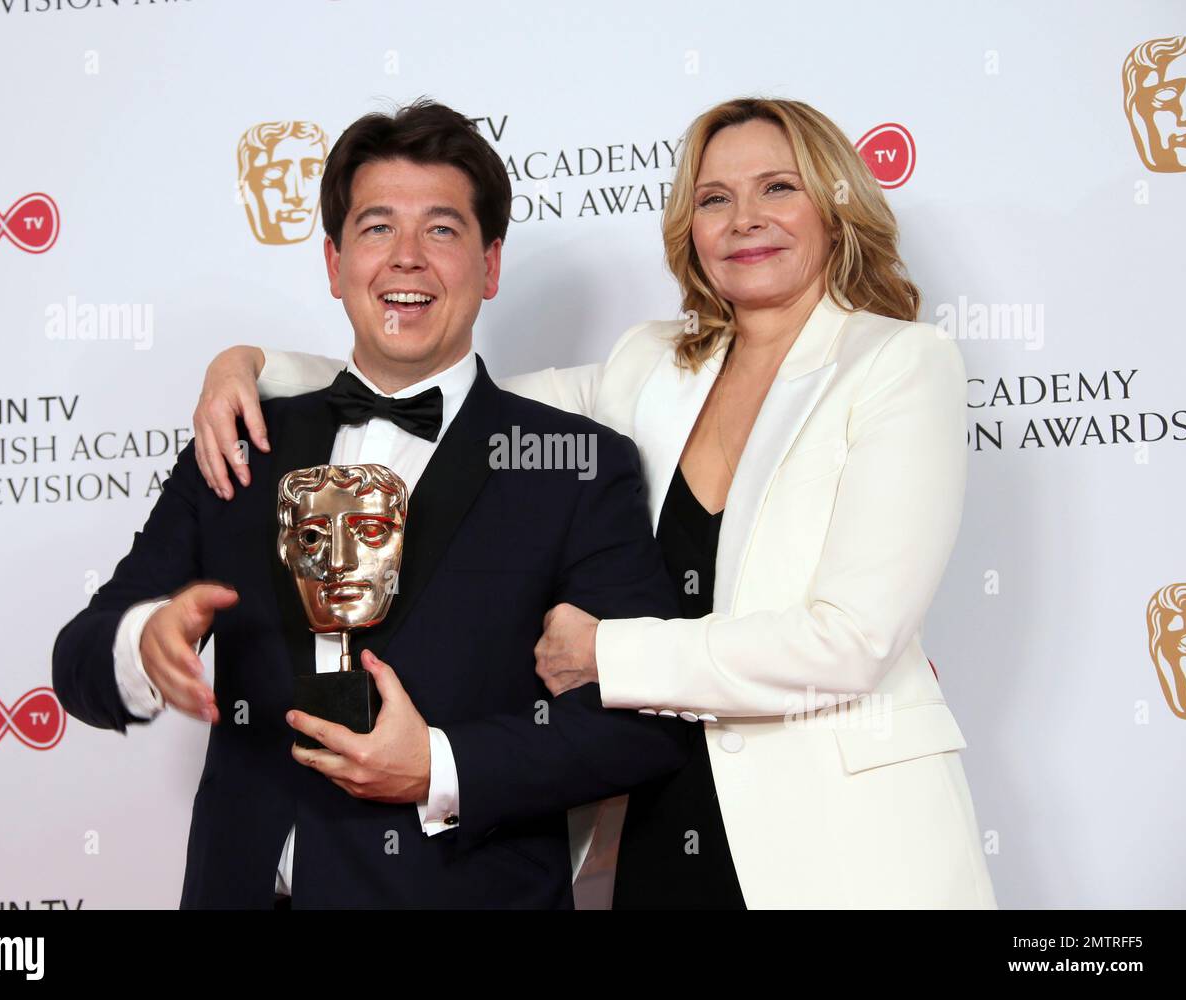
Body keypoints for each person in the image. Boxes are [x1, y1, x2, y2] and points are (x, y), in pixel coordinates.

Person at [195, 96, 999, 909]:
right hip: (664, 815)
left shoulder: (900, 363)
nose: (745, 219)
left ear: (835, 204)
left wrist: (609, 654)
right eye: (715, 198)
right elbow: (445, 397)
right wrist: (253, 366)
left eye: (777, 189)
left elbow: (852, 642)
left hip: (841, 831)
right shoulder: (653, 365)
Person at [52, 99, 690, 910]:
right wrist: (144, 643)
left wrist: (440, 766)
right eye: (378, 228)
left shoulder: (577, 466)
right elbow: (78, 660)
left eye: (443, 231)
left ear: (491, 266)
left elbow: (641, 727)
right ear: (333, 261)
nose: (407, 260)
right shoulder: (242, 443)